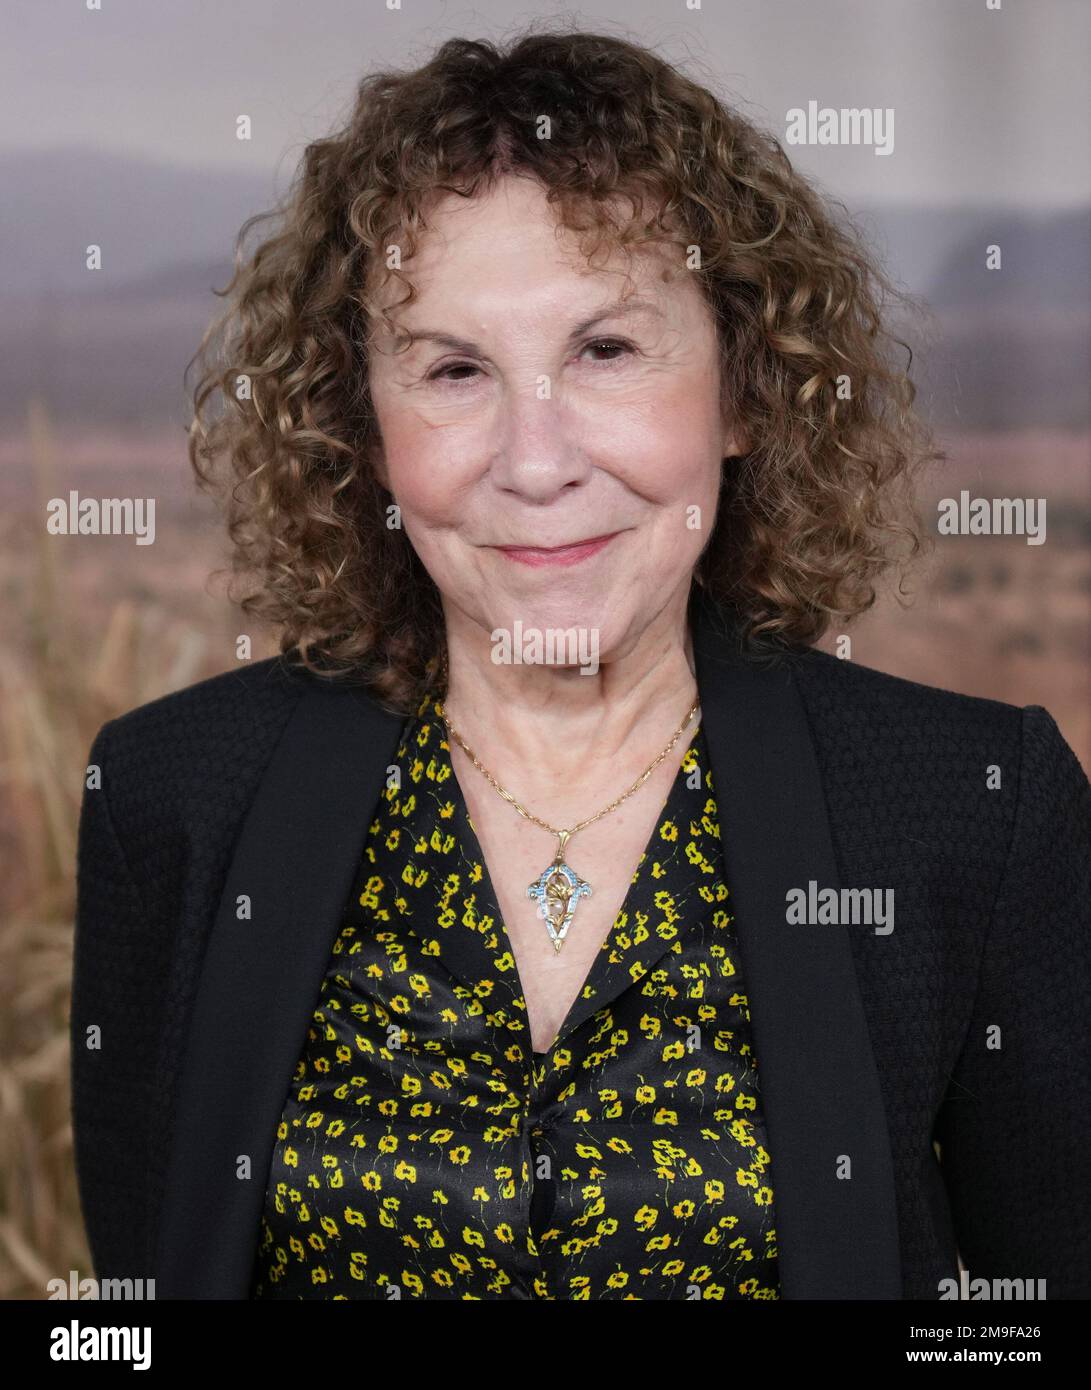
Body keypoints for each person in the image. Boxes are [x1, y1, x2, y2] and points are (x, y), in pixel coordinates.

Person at [70, 30, 1091, 1301]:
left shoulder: (971, 809)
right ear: (366, 430)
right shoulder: (174, 796)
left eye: (605, 351)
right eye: (453, 370)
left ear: (743, 393)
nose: (536, 460)